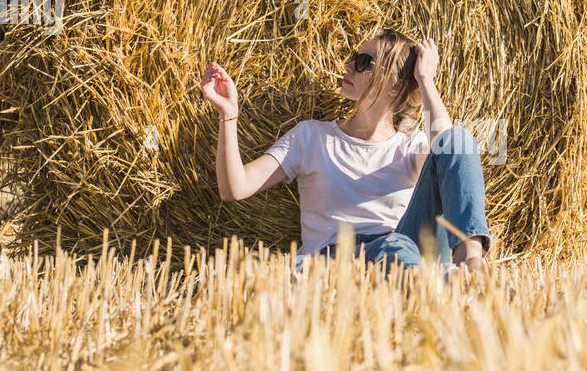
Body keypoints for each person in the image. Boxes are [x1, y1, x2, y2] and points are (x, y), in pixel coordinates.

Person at [198, 28, 491, 278]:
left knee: (459, 140)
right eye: (352, 58)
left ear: (394, 86)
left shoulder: (409, 146)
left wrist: (426, 80)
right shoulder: (311, 136)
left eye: (364, 62)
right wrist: (229, 115)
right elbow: (234, 187)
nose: (348, 67)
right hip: (332, 263)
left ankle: (470, 261)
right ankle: (431, 289)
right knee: (396, 249)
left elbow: (447, 142)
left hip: (405, 250)